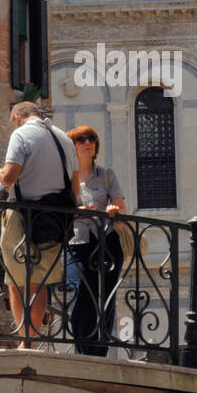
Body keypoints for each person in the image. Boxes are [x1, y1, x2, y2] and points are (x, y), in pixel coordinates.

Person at [0, 102, 79, 346]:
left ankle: (24, 341)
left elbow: (9, 178)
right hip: (55, 219)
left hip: (22, 217)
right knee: (39, 282)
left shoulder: (20, 134)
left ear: (16, 117)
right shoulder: (64, 138)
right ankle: (33, 338)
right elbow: (74, 188)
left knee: (17, 280)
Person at [65, 126, 126, 356]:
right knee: (81, 295)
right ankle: (83, 352)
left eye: (91, 138)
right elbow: (60, 209)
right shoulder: (66, 178)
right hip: (77, 244)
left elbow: (121, 207)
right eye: (81, 139)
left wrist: (112, 208)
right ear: (73, 147)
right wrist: (79, 210)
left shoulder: (106, 174)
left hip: (107, 243)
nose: (87, 142)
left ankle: (99, 353)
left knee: (106, 299)